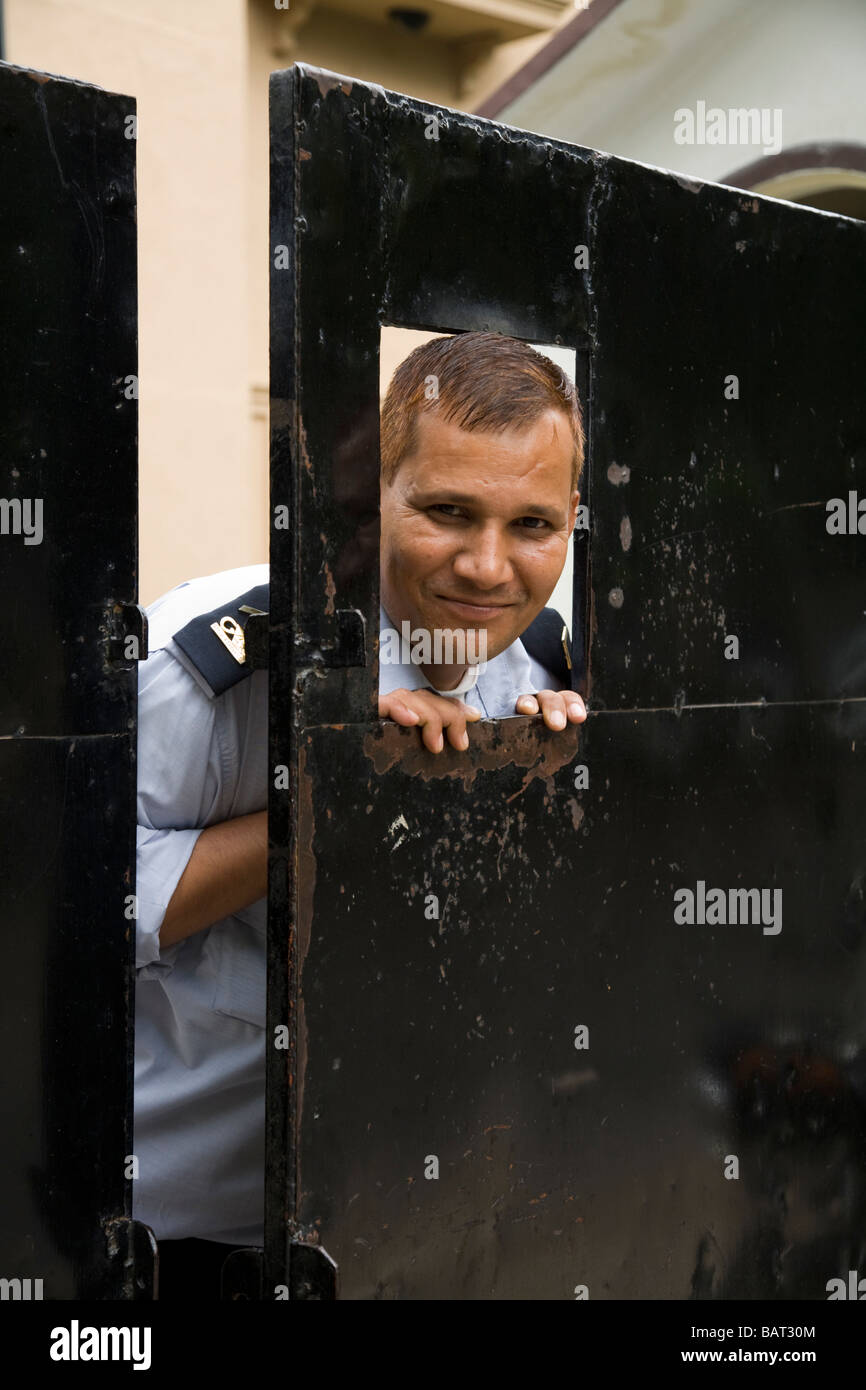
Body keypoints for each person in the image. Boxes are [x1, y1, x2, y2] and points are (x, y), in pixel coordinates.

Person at [133, 331, 588, 1297]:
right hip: (191, 1240)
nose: (487, 566)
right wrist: (338, 784)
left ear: (574, 521)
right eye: (447, 511)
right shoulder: (219, 665)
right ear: (373, 495)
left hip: (420, 1216)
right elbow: (69, 895)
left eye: (533, 524)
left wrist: (563, 798)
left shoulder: (554, 671)